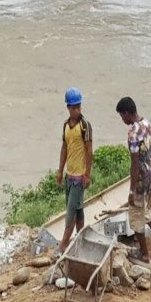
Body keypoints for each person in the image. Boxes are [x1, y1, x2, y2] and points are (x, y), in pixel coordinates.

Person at [116, 96, 151, 265]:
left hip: (141, 179)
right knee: (146, 210)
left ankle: (145, 254)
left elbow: (134, 164)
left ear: (127, 113)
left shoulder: (133, 132)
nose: (122, 120)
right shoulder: (146, 124)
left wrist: (132, 190)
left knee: (135, 215)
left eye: (122, 116)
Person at [57, 88, 94, 250]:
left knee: (70, 211)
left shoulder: (85, 126)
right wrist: (60, 171)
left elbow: (89, 151)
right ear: (68, 108)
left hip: (79, 177)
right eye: (74, 107)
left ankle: (63, 246)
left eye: (79, 106)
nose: (77, 110)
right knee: (78, 209)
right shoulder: (66, 125)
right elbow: (64, 148)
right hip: (69, 175)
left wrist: (87, 175)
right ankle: (81, 238)